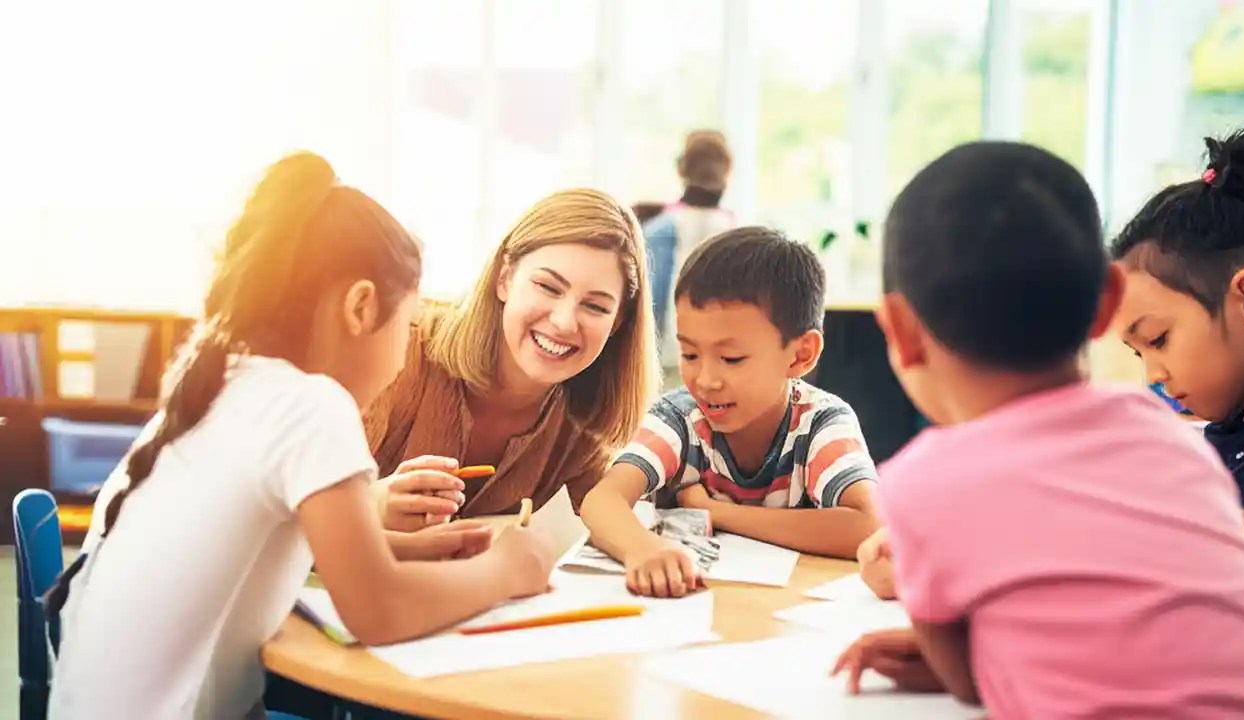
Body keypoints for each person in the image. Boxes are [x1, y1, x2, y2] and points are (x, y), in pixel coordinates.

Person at [48, 153, 557, 719]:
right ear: (361, 306)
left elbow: (255, 539)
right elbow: (378, 612)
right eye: (407, 326)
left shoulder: (228, 382)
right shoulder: (312, 405)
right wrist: (511, 570)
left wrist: (400, 547)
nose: (400, 358)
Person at [831, 141, 1244, 717]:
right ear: (1106, 305)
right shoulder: (1166, 434)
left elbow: (967, 684)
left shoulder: (918, 482)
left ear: (897, 328)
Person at [580, 227, 881, 598]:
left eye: (731, 359)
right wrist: (642, 549)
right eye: (690, 354)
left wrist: (717, 513)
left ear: (800, 354)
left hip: (781, 613)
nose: (705, 380)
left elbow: (868, 524)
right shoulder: (679, 418)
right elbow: (601, 500)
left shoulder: (821, 422)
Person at [364, 188, 661, 542]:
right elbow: (287, 499)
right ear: (504, 278)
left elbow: (604, 526)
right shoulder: (399, 348)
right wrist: (367, 505)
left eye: (595, 307)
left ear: (617, 323)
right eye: (548, 287)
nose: (565, 322)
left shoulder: (585, 426)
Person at [1110, 130, 1244, 557]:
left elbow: (1207, 571)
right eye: (1140, 353)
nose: (1153, 374)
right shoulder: (1230, 436)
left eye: (1158, 339)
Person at [645, 130, 735, 367]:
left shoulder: (658, 228)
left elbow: (651, 302)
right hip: (726, 355)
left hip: (668, 355)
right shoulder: (737, 229)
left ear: (681, 169)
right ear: (727, 171)